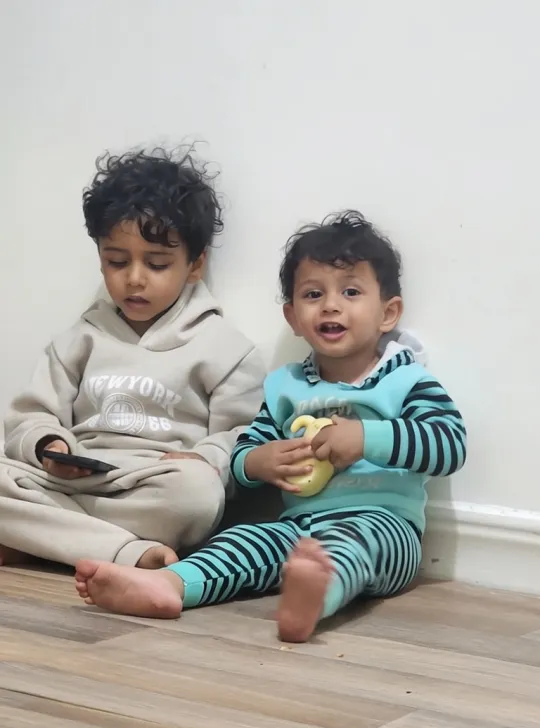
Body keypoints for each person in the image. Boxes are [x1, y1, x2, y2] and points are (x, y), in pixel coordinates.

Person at [74, 210, 467, 641]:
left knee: (356, 546)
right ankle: (170, 585)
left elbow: (449, 444)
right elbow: (245, 453)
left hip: (386, 525)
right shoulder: (286, 387)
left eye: (351, 292)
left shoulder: (405, 380)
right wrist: (259, 462)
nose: (331, 305)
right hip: (298, 529)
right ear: (293, 317)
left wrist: (365, 437)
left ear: (388, 313)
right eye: (313, 294)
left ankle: (316, 597)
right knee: (242, 542)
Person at [0, 147, 265, 569]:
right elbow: (29, 418)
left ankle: (43, 536)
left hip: (153, 485)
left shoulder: (226, 349)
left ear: (195, 264)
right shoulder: (79, 339)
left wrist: (205, 458)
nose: (134, 278)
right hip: (74, 479)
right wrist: (51, 445)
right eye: (116, 261)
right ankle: (128, 550)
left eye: (157, 264)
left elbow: (243, 439)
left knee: (198, 495)